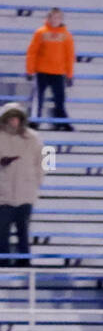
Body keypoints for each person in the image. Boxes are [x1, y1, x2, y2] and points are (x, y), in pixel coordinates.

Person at [0, 102, 44, 269]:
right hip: (3, 192)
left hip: (26, 192)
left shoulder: (34, 137)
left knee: (23, 230)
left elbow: (47, 158)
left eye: (16, 117)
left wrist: (37, 181)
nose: (14, 121)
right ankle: (3, 261)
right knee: (1, 230)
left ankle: (24, 260)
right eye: (11, 117)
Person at [25, 8, 74, 131]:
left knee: (60, 99)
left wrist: (69, 74)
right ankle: (35, 120)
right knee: (38, 98)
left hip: (58, 72)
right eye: (52, 17)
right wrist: (30, 70)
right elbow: (32, 52)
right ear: (48, 18)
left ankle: (62, 121)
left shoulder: (66, 35)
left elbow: (69, 55)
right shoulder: (41, 32)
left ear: (61, 19)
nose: (54, 20)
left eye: (57, 18)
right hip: (42, 71)